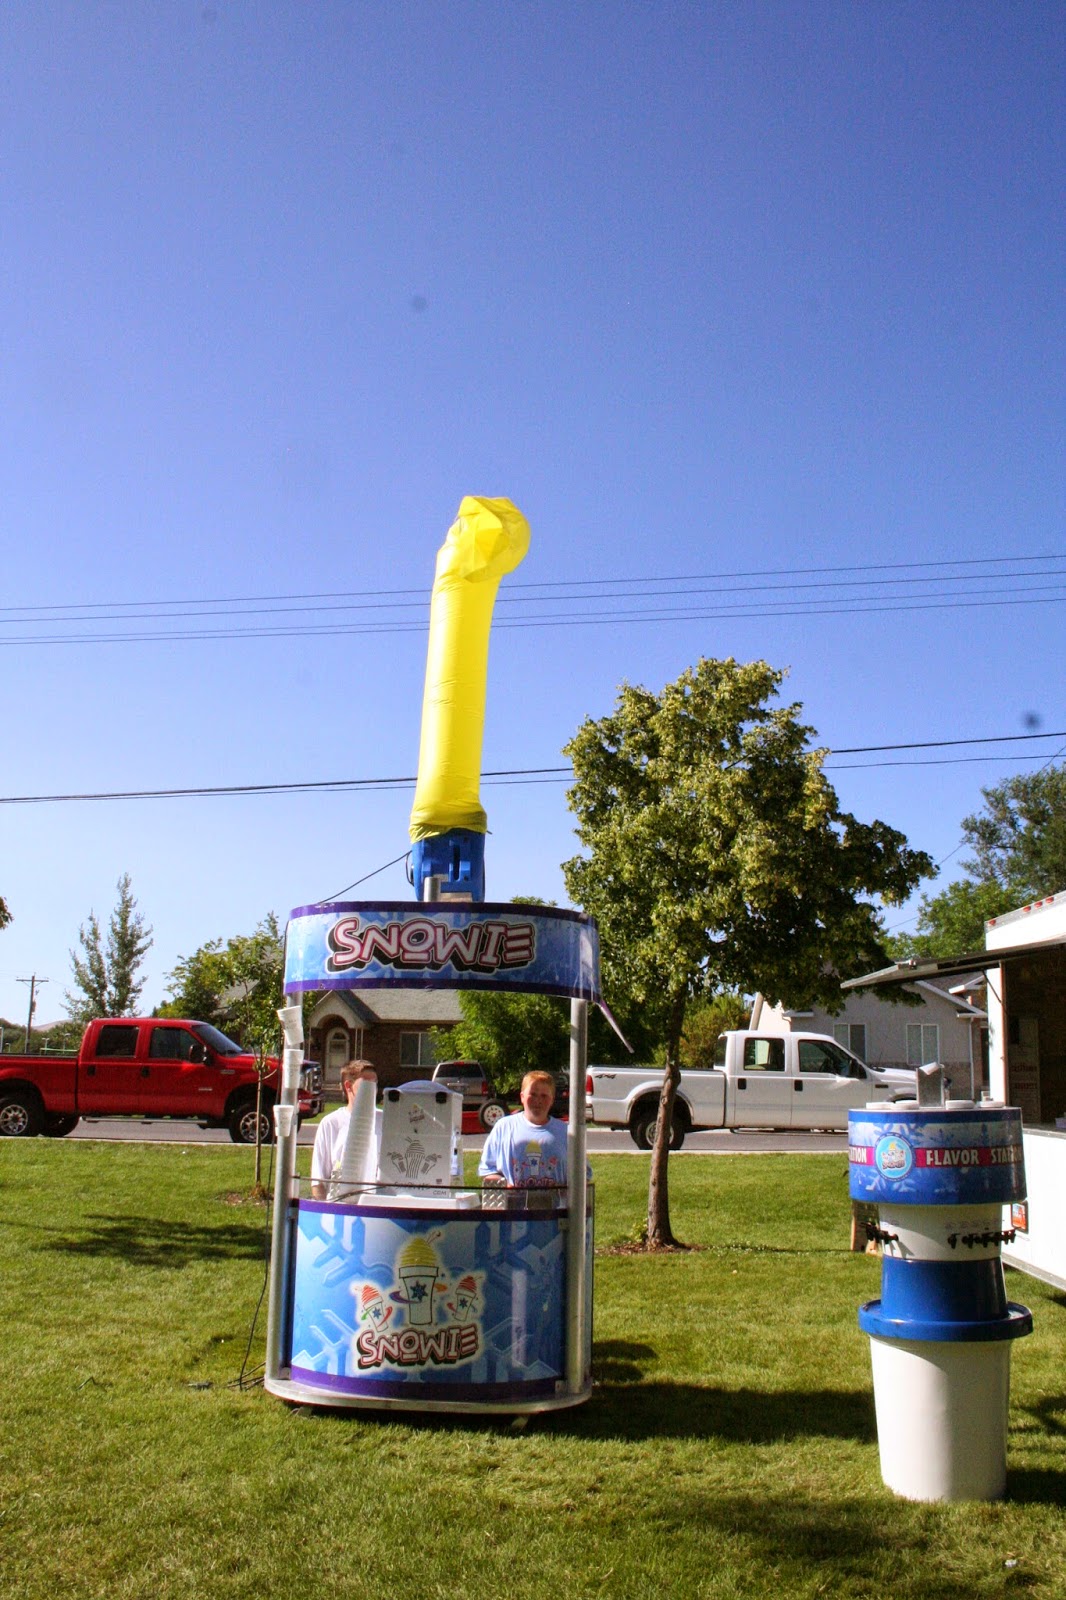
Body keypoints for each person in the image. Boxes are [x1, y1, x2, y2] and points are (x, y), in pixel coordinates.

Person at [478, 1070, 570, 1190]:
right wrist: (506, 1186)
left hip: (556, 1207)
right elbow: (487, 1170)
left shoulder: (565, 1132)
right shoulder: (503, 1127)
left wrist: (564, 1190)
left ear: (552, 1100)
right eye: (533, 1094)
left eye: (544, 1096)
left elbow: (583, 1176)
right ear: (522, 1097)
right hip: (514, 1207)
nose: (538, 1100)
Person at [311, 1060, 379, 1199]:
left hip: (378, 1209)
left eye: (375, 1084)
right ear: (349, 1086)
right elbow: (318, 1182)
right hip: (342, 1207)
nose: (373, 1090)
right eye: (367, 1085)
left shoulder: (385, 1121)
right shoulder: (331, 1123)